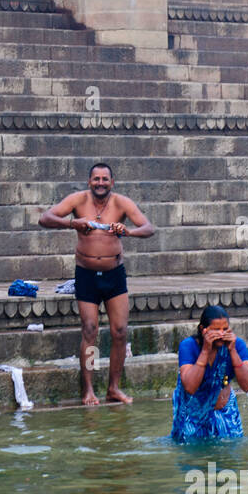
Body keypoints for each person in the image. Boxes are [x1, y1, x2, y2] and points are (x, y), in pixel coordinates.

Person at [39, 163, 155, 405]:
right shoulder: (78, 200)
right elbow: (45, 218)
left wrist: (128, 232)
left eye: (105, 179)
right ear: (89, 181)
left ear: (112, 182)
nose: (100, 183)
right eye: (96, 179)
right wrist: (73, 223)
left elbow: (148, 227)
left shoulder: (121, 202)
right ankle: (89, 389)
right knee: (90, 330)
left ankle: (114, 388)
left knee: (120, 332)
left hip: (114, 275)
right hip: (87, 274)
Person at [172, 305, 248, 442]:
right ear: (202, 330)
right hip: (193, 415)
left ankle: (217, 463)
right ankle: (208, 463)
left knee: (227, 457)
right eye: (216, 330)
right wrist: (205, 350)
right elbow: (190, 387)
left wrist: (233, 351)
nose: (221, 334)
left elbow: (247, 385)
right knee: (201, 458)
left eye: (225, 329)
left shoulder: (237, 345)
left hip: (224, 412)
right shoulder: (189, 346)